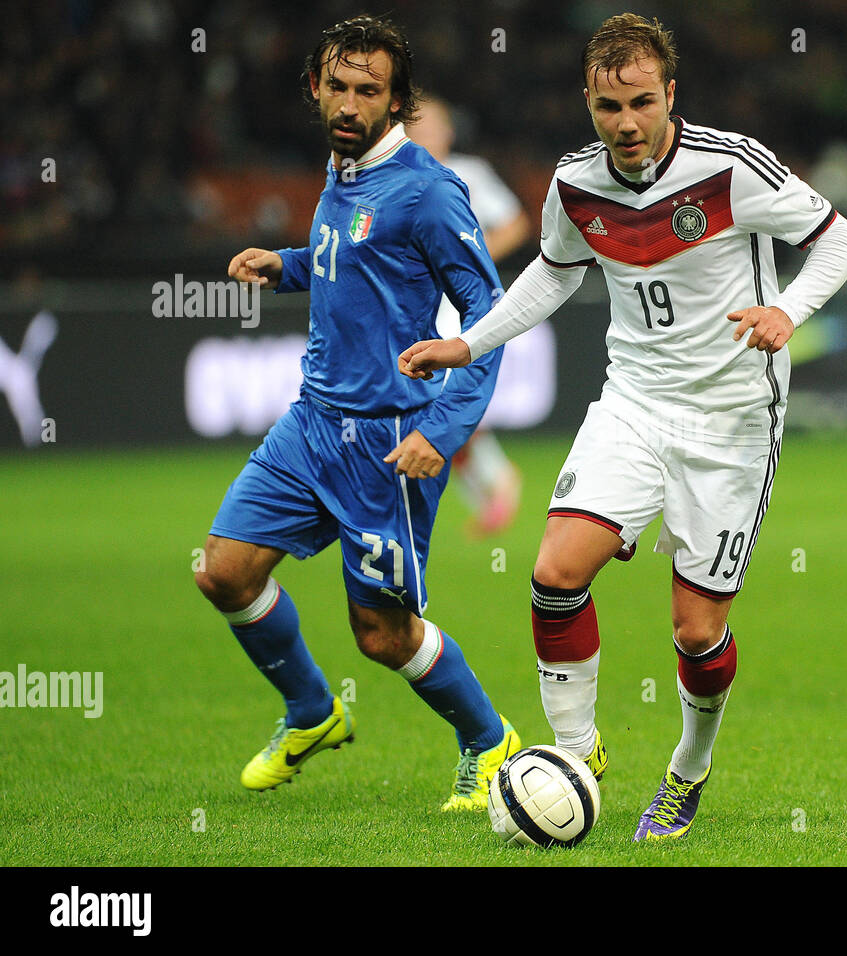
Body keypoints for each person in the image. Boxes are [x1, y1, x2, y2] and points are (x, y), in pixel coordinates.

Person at [399, 13, 847, 840]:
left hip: (731, 420)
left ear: (670, 94)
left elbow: (838, 239)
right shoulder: (576, 184)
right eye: (609, 107)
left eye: (642, 103)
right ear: (588, 100)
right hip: (634, 405)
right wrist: (467, 344)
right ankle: (577, 753)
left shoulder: (731, 167)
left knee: (697, 631)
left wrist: (788, 310)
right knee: (554, 571)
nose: (627, 124)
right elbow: (552, 273)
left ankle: (688, 769)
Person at [194, 14, 520, 810]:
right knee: (224, 572)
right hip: (311, 425)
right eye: (336, 86)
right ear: (315, 88)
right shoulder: (342, 169)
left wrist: (439, 434)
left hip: (388, 440)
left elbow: (491, 318)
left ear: (398, 102)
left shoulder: (429, 190)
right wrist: (290, 267)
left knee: (380, 636)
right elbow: (355, 264)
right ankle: (311, 711)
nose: (348, 103)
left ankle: (491, 743)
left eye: (367, 91)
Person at [406, 97, 539, 537]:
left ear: (448, 132)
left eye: (431, 127)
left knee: (441, 392)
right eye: (414, 127)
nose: (423, 135)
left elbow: (516, 223)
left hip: (456, 308)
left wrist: (469, 261)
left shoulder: (470, 174)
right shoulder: (397, 178)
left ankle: (497, 482)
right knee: (428, 401)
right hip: (410, 305)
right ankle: (488, 490)